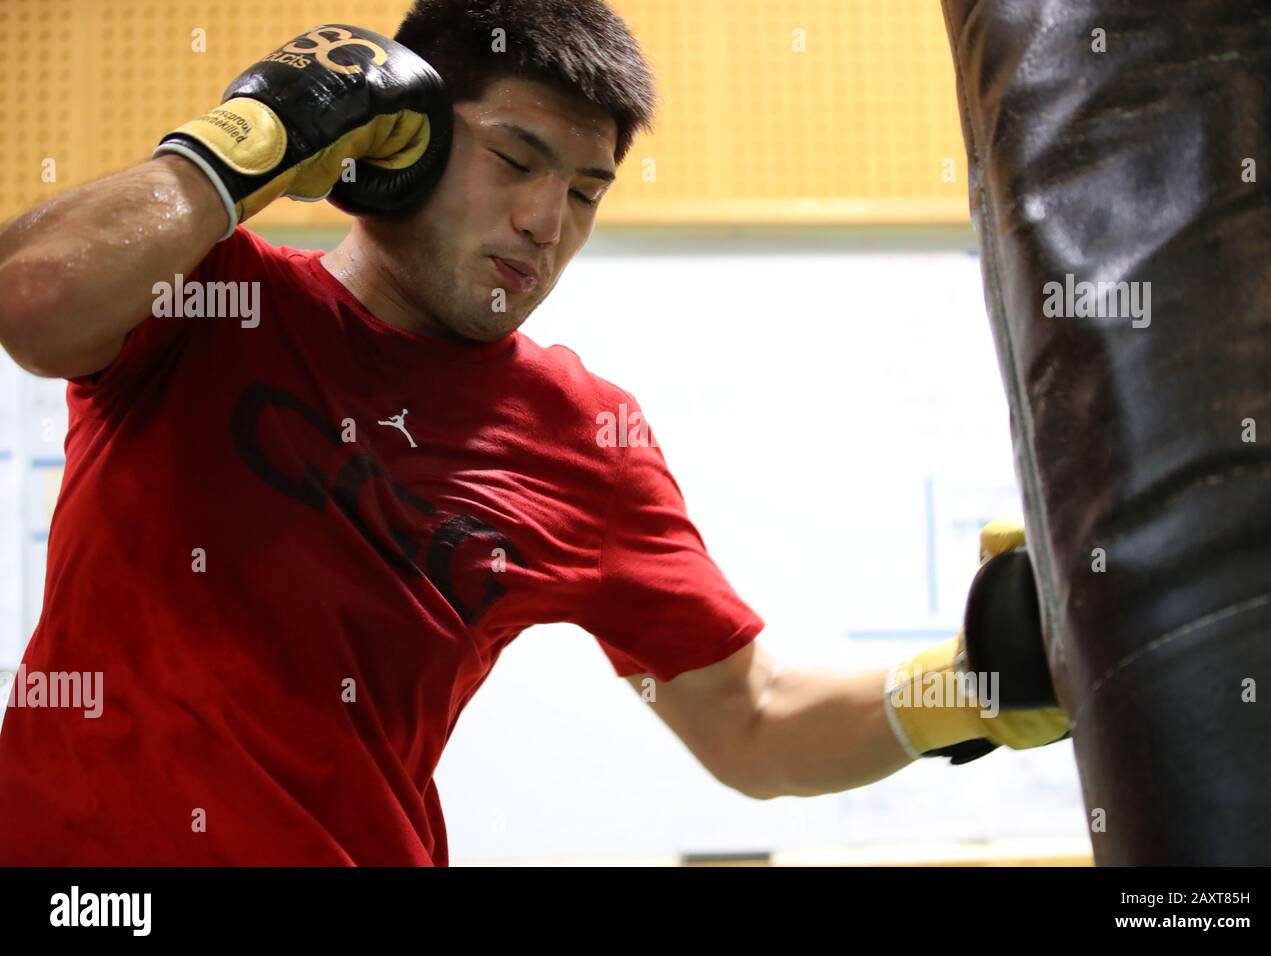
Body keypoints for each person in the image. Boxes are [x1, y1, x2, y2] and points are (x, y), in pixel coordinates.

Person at [0, 0, 1067, 865]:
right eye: (515, 160)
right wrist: (250, 140)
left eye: (586, 191)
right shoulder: (213, 296)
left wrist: (963, 684)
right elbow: (34, 302)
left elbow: (748, 715)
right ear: (396, 143)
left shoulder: (581, 434)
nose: (546, 222)